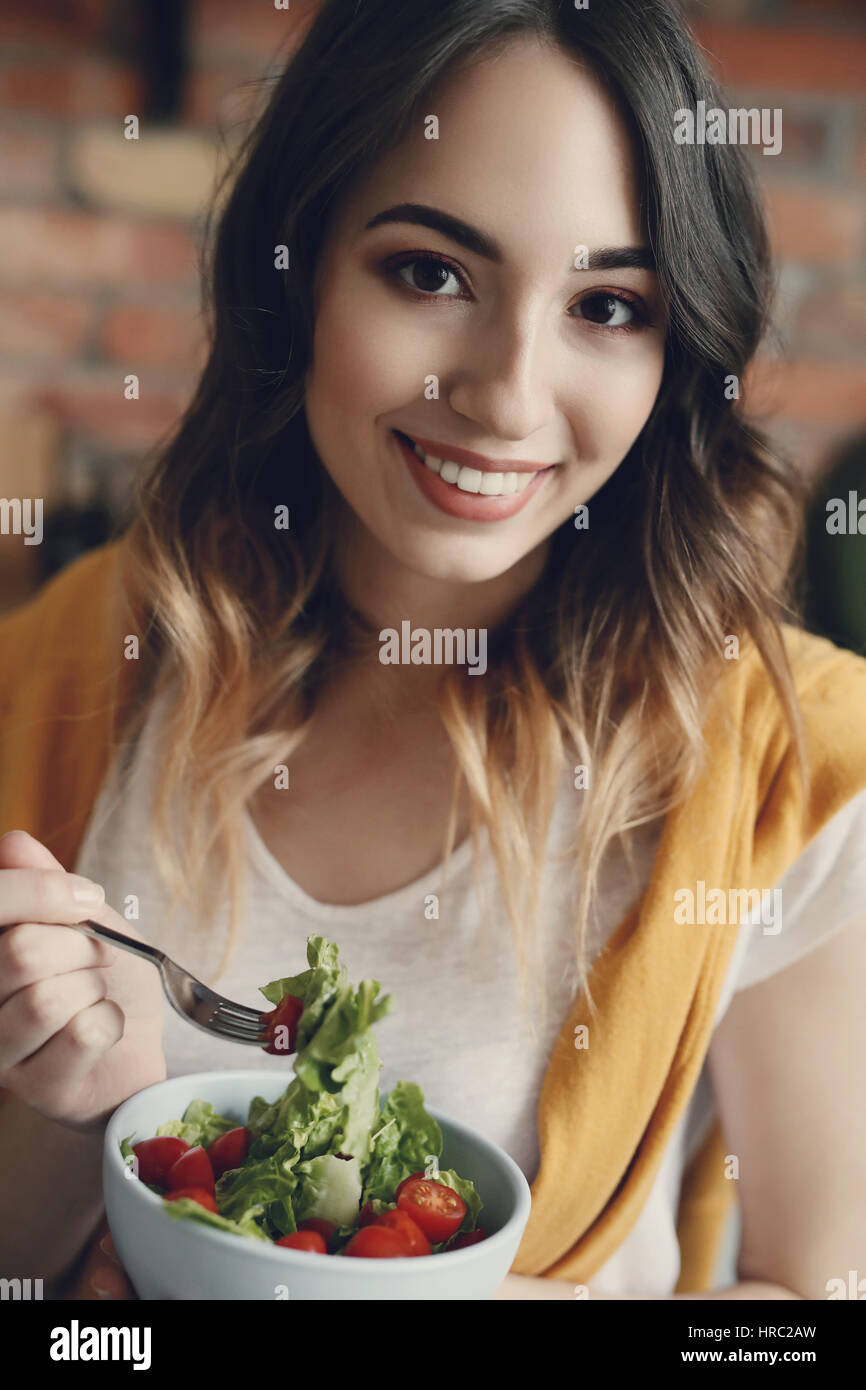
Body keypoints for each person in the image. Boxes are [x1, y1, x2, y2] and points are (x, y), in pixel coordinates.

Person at [1, 0, 864, 1302]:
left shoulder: (784, 763)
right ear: (295, 272)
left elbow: (806, 1306)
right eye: (429, 272)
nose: (509, 394)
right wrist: (77, 1108)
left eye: (609, 304)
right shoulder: (87, 650)